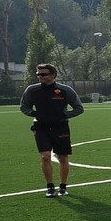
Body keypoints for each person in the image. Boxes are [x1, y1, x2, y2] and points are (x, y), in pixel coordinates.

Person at [19, 63, 84, 198]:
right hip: (41, 127)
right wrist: (34, 114)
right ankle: (49, 187)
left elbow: (79, 108)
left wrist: (64, 115)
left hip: (60, 127)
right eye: (38, 74)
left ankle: (63, 187)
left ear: (53, 75)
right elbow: (24, 107)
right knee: (45, 156)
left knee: (62, 157)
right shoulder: (32, 90)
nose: (40, 77)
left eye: (43, 74)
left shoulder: (65, 90)